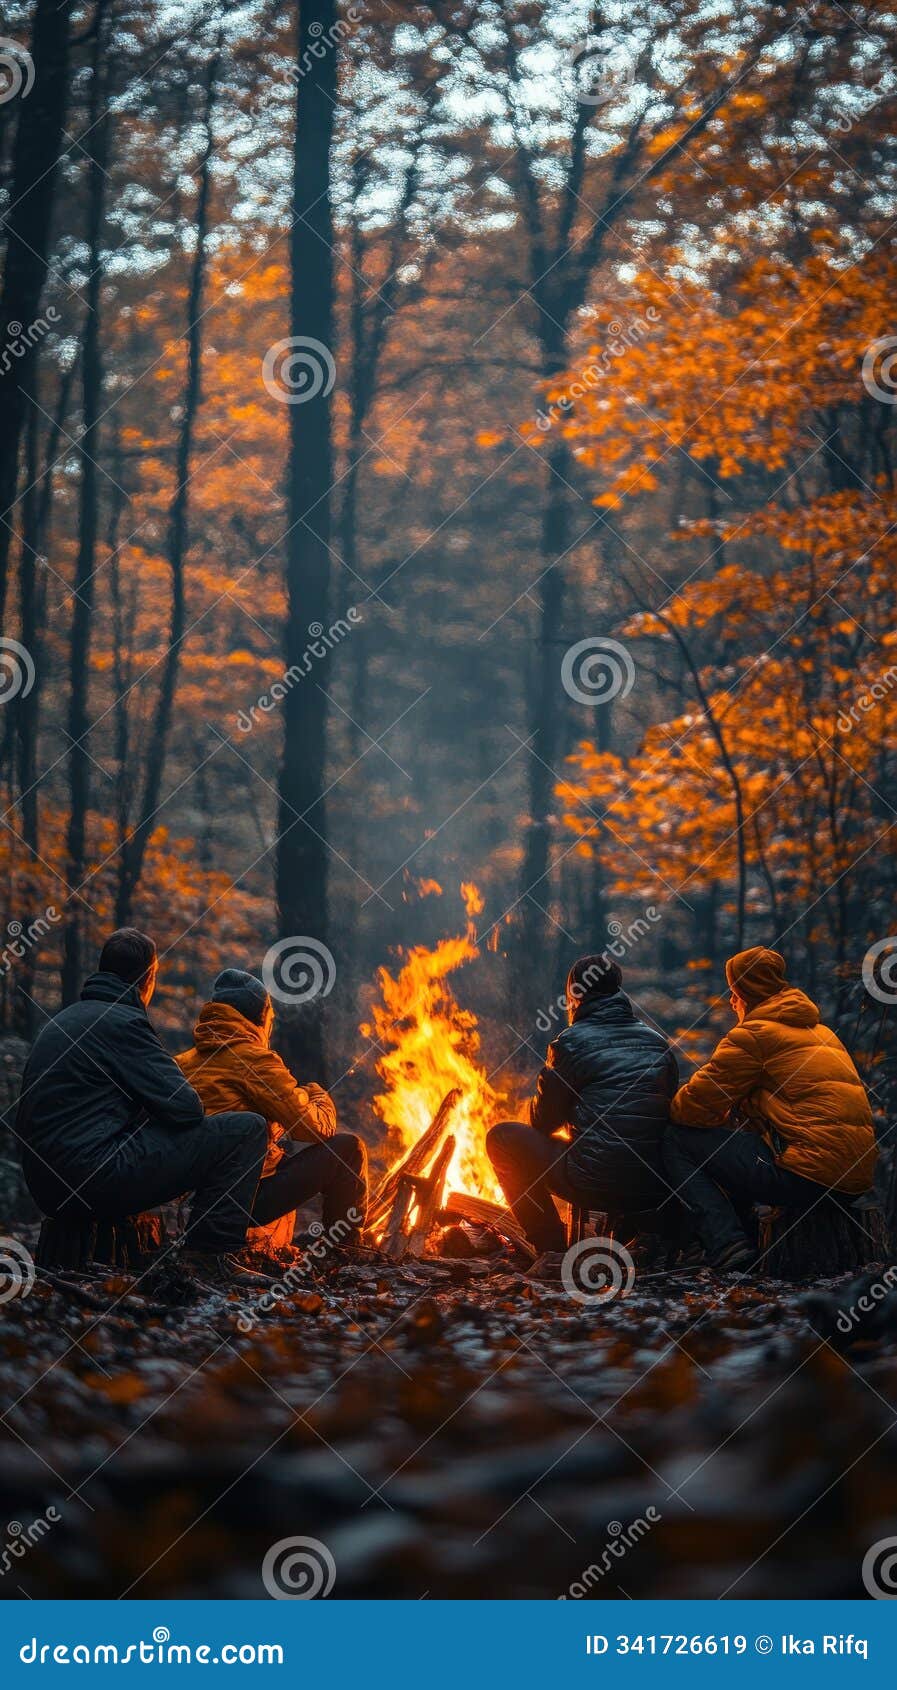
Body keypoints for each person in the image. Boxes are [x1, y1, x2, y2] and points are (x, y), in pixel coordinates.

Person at [16, 929, 269, 1282]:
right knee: (247, 1129)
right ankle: (208, 1254)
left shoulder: (63, 1021)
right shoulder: (124, 1023)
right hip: (92, 1177)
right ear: (148, 978)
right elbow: (185, 1108)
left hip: (47, 1186)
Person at [664, 946, 878, 1272]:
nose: (732, 1003)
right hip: (853, 1181)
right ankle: (742, 1241)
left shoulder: (754, 1034)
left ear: (744, 993)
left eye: (734, 994)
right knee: (732, 1143)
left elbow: (692, 1108)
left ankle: (727, 1243)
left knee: (676, 1138)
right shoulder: (821, 1032)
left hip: (808, 1177)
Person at [486, 954, 679, 1254]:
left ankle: (551, 1248)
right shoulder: (657, 1042)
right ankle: (635, 1233)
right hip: (653, 1184)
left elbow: (542, 1123)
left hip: (592, 1180)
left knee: (502, 1139)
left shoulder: (571, 1042)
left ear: (575, 995)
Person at [177, 968, 367, 1250]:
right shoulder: (253, 1060)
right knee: (349, 1149)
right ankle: (345, 1248)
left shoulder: (181, 1062)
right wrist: (318, 1095)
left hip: (196, 1198)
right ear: (261, 1017)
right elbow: (312, 1128)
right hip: (245, 1198)